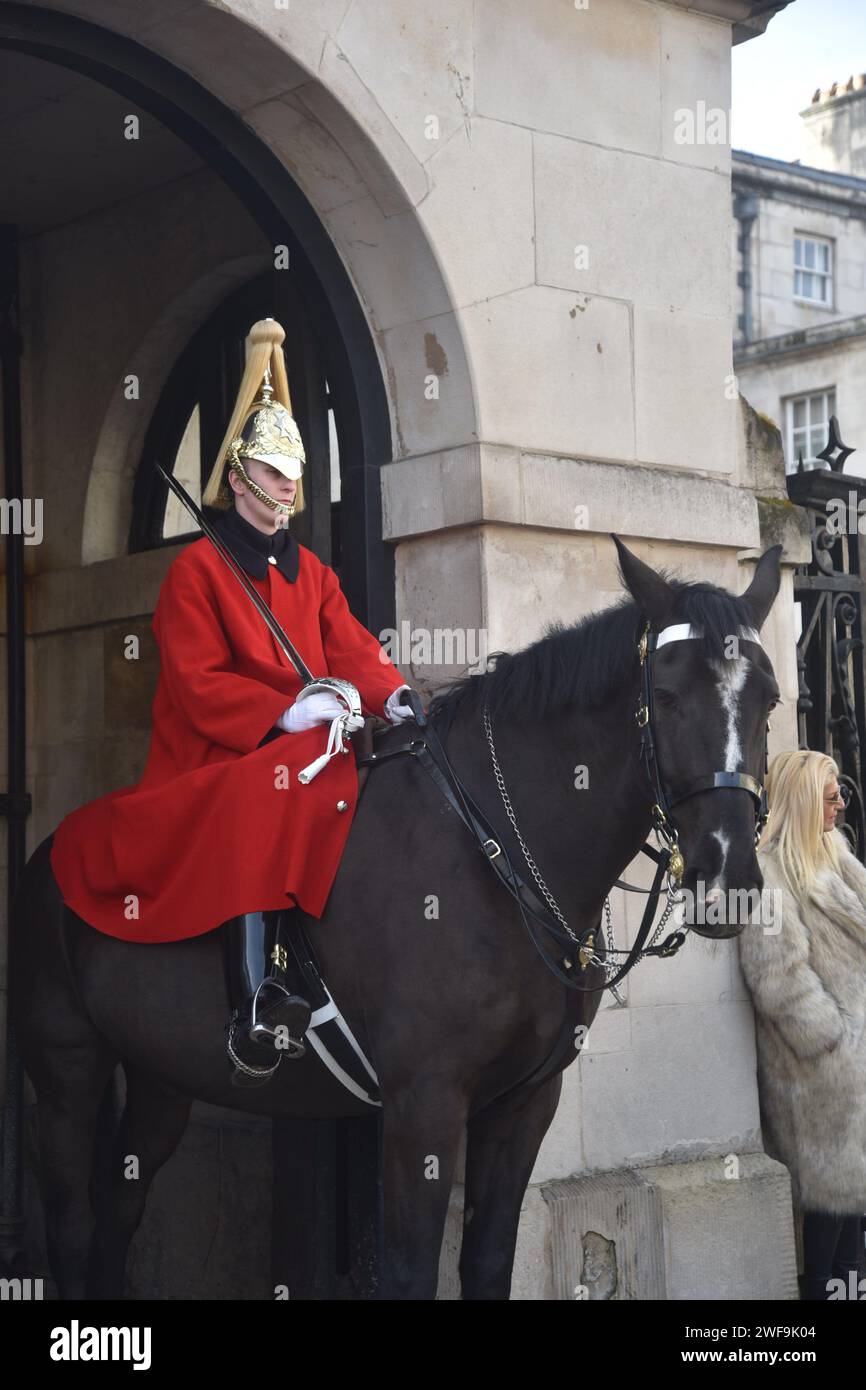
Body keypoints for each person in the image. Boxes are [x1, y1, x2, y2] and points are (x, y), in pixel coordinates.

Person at [50, 318, 414, 1086]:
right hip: (216, 753)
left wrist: (397, 694)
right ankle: (253, 999)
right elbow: (196, 681)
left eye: (294, 473)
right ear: (241, 475)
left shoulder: (311, 572)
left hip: (305, 743)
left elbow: (351, 648)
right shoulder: (196, 573)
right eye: (275, 473)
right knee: (270, 782)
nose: (289, 488)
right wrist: (286, 713)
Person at [737, 749, 866, 1300]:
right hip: (821, 1074)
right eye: (830, 795)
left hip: (855, 1064)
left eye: (841, 794)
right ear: (802, 800)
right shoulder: (768, 874)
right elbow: (778, 979)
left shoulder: (836, 855)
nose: (840, 804)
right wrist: (835, 1042)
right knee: (828, 1204)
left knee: (855, 1205)